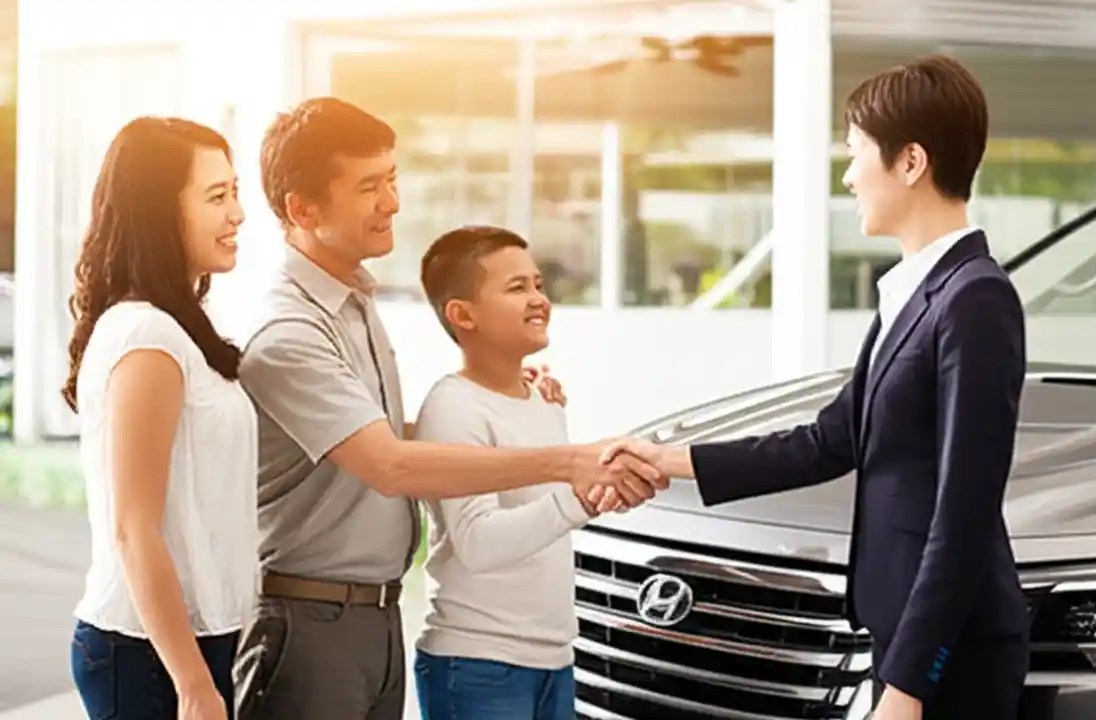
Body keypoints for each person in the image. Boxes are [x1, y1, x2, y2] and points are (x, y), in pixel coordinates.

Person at [605, 55, 1029, 720]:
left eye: (856, 152)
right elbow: (829, 441)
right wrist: (670, 460)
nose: (848, 174)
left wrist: (911, 682)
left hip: (951, 657)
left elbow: (965, 511)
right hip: (899, 642)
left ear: (911, 162)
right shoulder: (914, 293)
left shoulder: (976, 300)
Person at [231, 97, 664, 720]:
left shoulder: (353, 303)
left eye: (392, 180)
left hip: (372, 617)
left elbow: (368, 437)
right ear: (302, 209)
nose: (393, 203)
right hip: (313, 621)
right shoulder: (291, 331)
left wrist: (505, 407)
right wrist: (569, 463)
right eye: (368, 187)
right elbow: (390, 466)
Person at [63, 117, 254, 720]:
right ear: (159, 213)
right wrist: (193, 685)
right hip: (146, 654)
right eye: (217, 196)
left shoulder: (179, 331)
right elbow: (132, 528)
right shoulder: (147, 335)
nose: (239, 213)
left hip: (197, 641)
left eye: (235, 190)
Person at [412, 225, 601, 720]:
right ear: (462, 314)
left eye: (538, 284)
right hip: (478, 664)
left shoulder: (543, 398)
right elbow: (477, 541)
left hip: (552, 660)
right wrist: (580, 499)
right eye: (517, 288)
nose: (539, 299)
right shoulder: (453, 408)